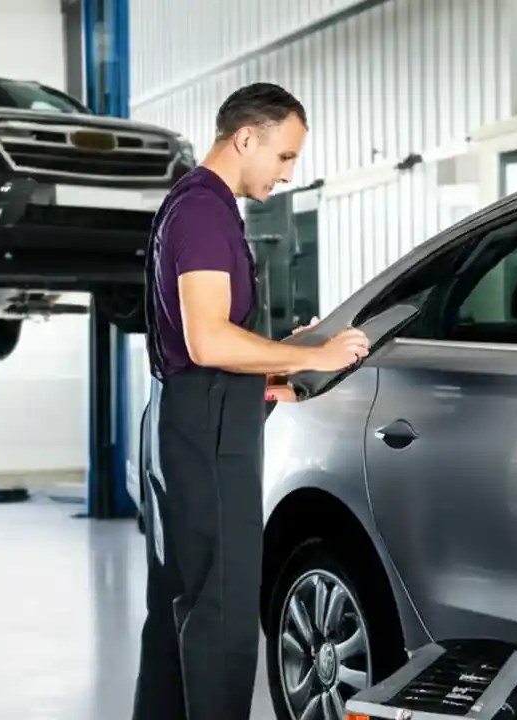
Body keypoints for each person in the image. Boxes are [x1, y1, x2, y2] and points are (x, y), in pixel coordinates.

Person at [132, 83, 371, 720]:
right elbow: (207, 340)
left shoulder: (190, 204)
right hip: (205, 434)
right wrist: (313, 356)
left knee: (178, 609)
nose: (288, 173)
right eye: (285, 157)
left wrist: (272, 366)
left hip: (182, 420)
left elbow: (195, 346)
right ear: (246, 138)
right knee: (223, 614)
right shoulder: (206, 212)